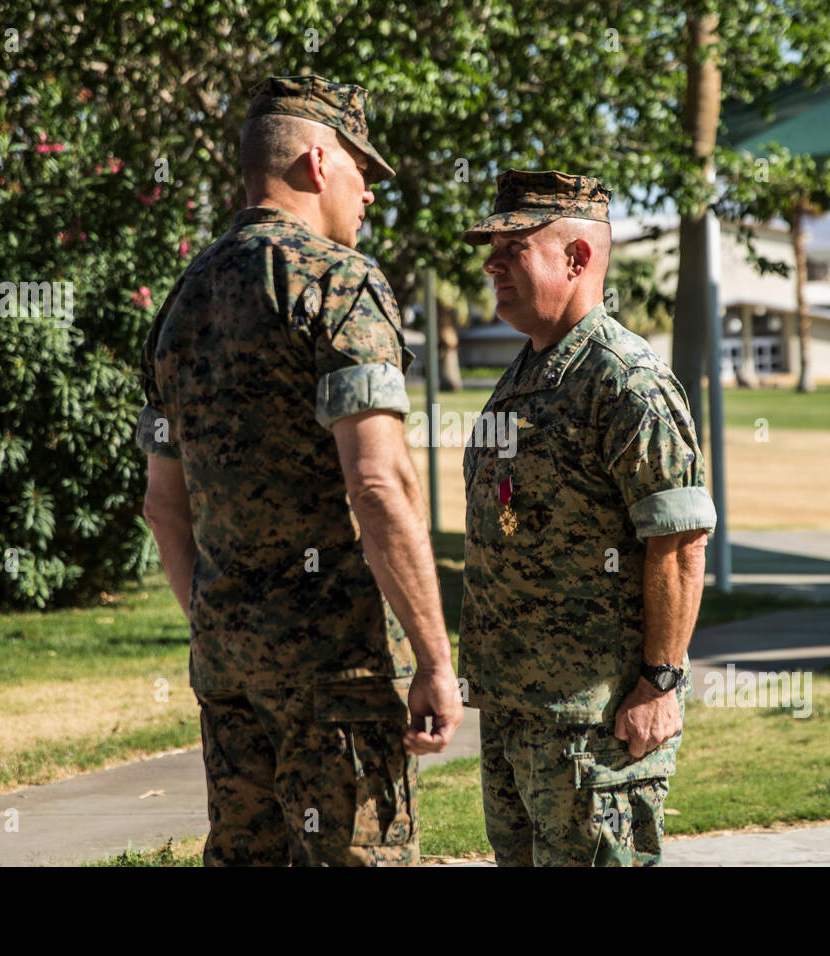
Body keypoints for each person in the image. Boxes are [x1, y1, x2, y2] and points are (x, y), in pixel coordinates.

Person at [135, 74, 461, 867]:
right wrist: (435, 659)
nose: (371, 194)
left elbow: (161, 507)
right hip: (335, 671)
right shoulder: (340, 284)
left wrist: (220, 624)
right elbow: (379, 485)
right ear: (319, 162)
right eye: (363, 170)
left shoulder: (182, 301)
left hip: (228, 671)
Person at [458, 169, 716, 866]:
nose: (492, 265)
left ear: (577, 259)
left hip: (595, 721)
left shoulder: (625, 380)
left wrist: (659, 684)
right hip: (517, 710)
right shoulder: (522, 376)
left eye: (513, 249)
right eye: (492, 250)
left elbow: (681, 543)